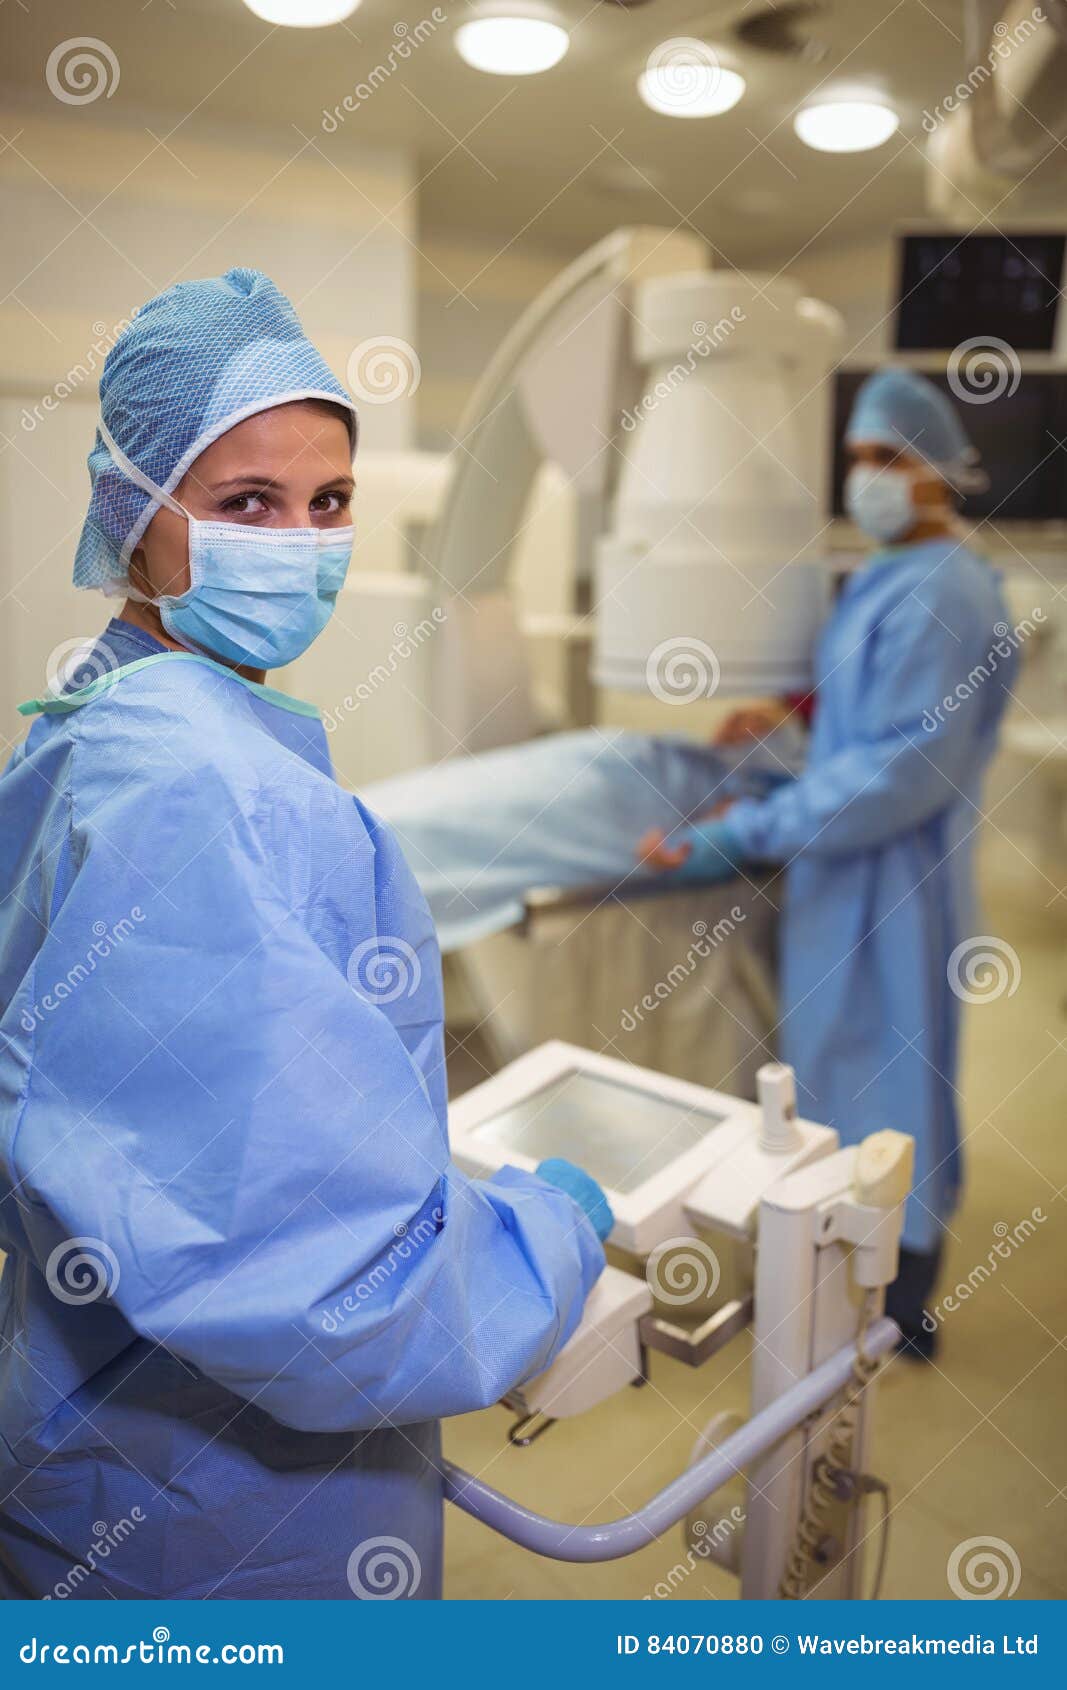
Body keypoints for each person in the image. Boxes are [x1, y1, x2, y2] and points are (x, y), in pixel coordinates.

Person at [0, 268, 612, 1600]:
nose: (300, 539)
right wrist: (543, 1237)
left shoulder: (107, 727)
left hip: (99, 1427)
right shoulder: (194, 789)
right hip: (221, 1514)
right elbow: (330, 1288)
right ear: (133, 517)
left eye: (327, 502)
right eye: (245, 503)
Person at [639, 368, 1018, 1358]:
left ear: (938, 470)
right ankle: (840, 1281)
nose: (866, 478)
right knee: (836, 1081)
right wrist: (777, 726)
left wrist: (736, 833)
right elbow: (849, 727)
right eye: (855, 458)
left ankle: (901, 1302)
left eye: (887, 458)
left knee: (889, 1088)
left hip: (894, 883)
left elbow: (895, 771)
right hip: (838, 876)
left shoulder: (949, 590)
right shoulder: (890, 576)